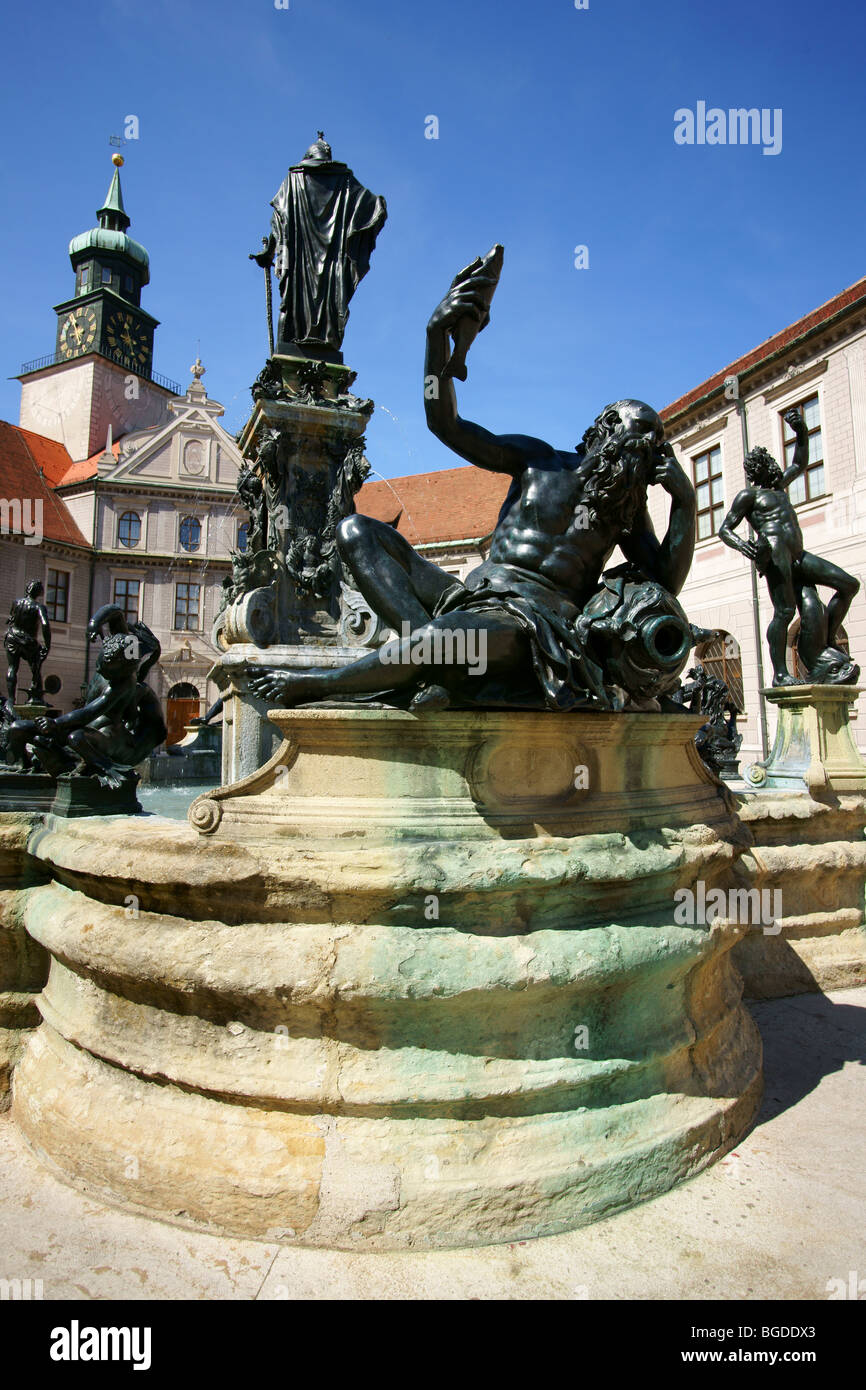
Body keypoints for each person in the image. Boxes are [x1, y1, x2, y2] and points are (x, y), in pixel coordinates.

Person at [719, 409, 859, 685]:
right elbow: (725, 529)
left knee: (848, 585)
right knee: (784, 612)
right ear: (757, 470)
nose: (772, 465)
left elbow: (799, 462)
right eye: (765, 463)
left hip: (798, 554)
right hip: (775, 553)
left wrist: (801, 432)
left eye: (769, 461)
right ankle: (780, 674)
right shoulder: (749, 495)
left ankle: (828, 639)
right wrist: (745, 547)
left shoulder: (779, 487)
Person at [4, 580, 51, 705]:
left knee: (12, 667)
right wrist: (47, 645)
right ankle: (36, 697)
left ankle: (10, 700)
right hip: (27, 640)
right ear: (38, 592)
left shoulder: (16, 603)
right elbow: (45, 625)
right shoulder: (38, 607)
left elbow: (11, 619)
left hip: (12, 636)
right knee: (36, 666)